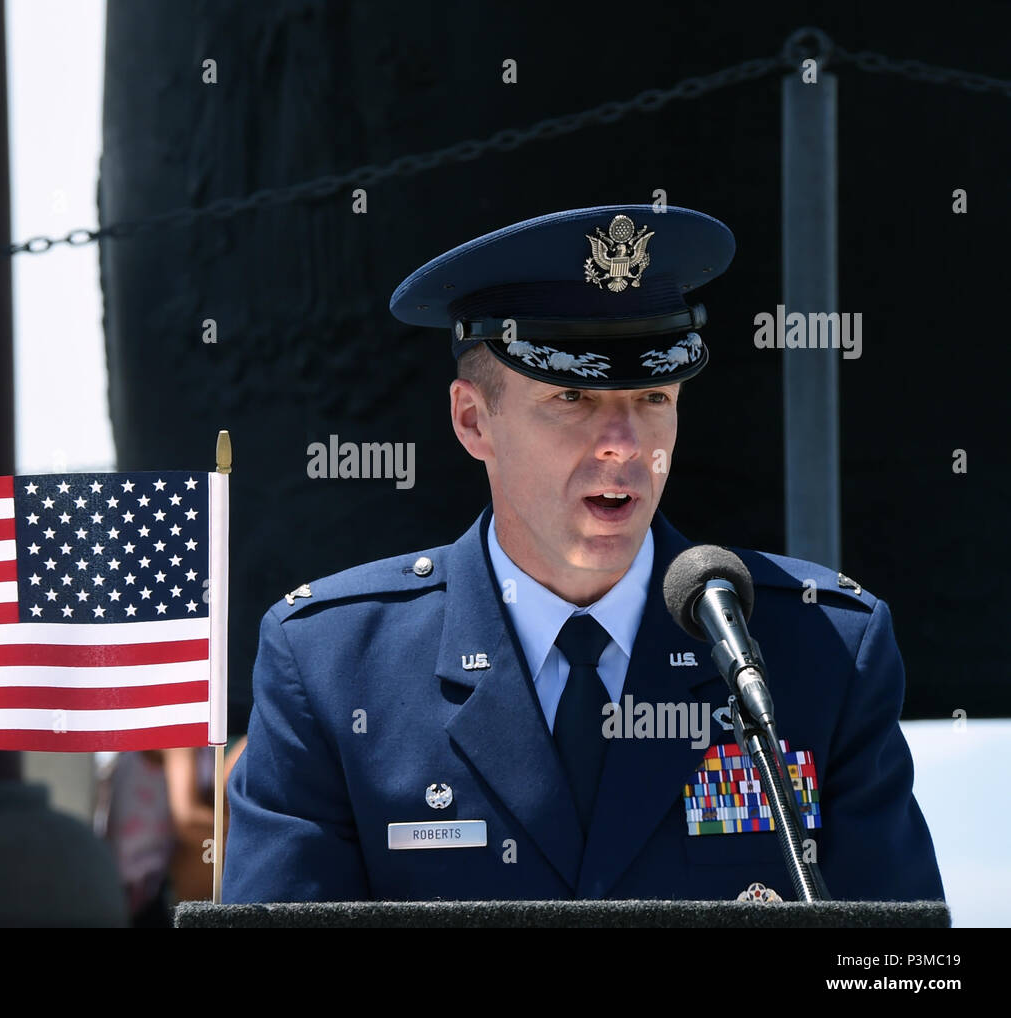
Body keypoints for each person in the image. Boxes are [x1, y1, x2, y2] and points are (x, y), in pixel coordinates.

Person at [222, 205, 944, 903]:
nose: (624, 445)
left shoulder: (821, 649)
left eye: (654, 397)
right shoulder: (333, 667)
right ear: (474, 421)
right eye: (572, 398)